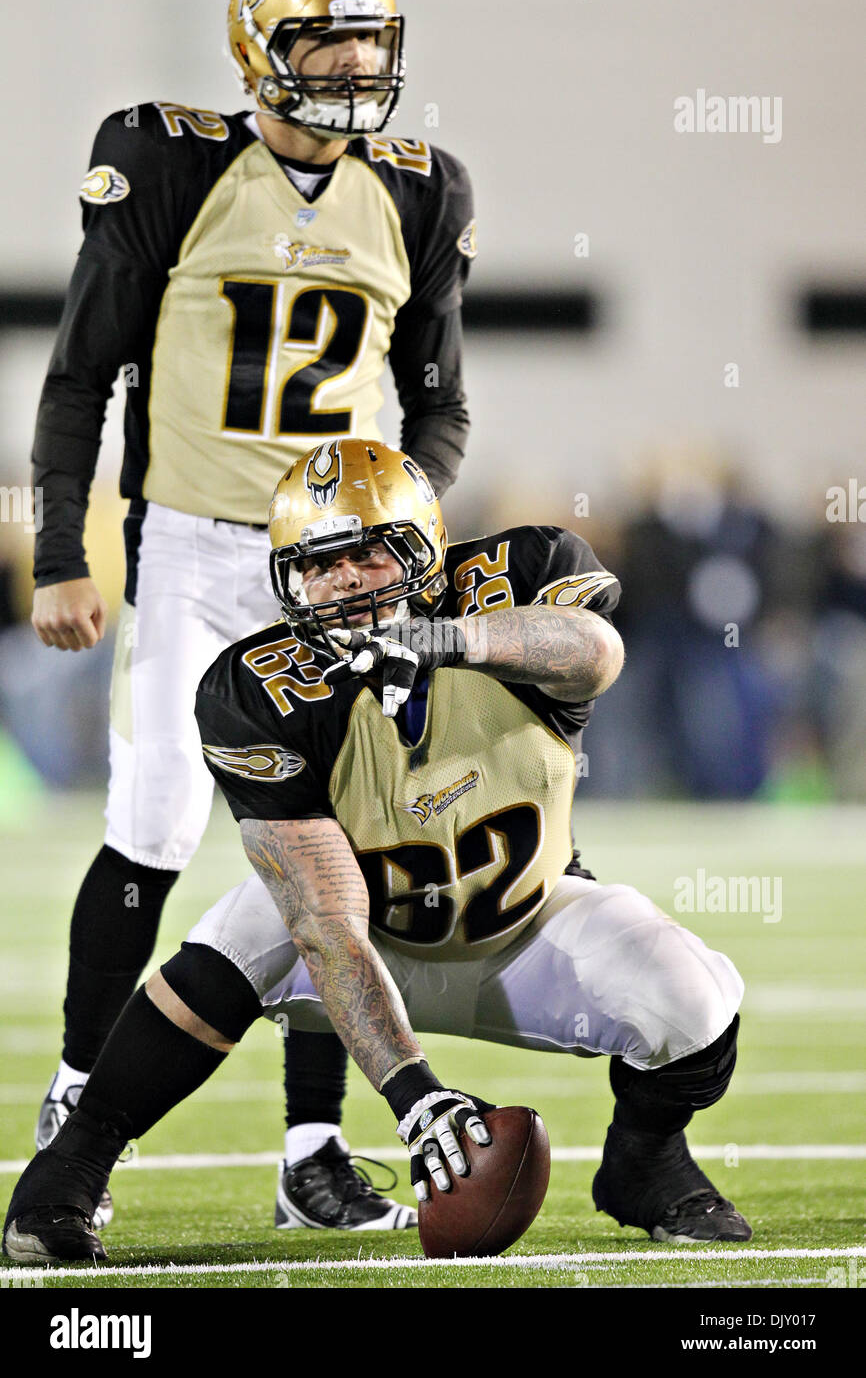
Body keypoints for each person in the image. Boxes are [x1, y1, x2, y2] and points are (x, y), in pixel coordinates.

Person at [3, 439, 751, 1265]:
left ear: (424, 547)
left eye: (368, 554)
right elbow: (325, 924)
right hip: (369, 941)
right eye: (318, 565)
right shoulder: (255, 689)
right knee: (248, 931)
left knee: (696, 995)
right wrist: (415, 1097)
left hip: (525, 926)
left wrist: (447, 641)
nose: (345, 581)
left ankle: (646, 1161)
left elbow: (594, 655)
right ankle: (66, 1174)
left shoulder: (523, 570)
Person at [29, 0, 475, 1231]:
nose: (351, 62)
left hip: (339, 570)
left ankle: (312, 1151)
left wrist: (395, 516)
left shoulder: (421, 186)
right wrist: (61, 549)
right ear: (254, 51)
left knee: (329, 845)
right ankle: (73, 1104)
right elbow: (81, 375)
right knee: (158, 820)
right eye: (322, 39)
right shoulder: (170, 162)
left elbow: (439, 404)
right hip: (186, 544)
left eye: (370, 41)